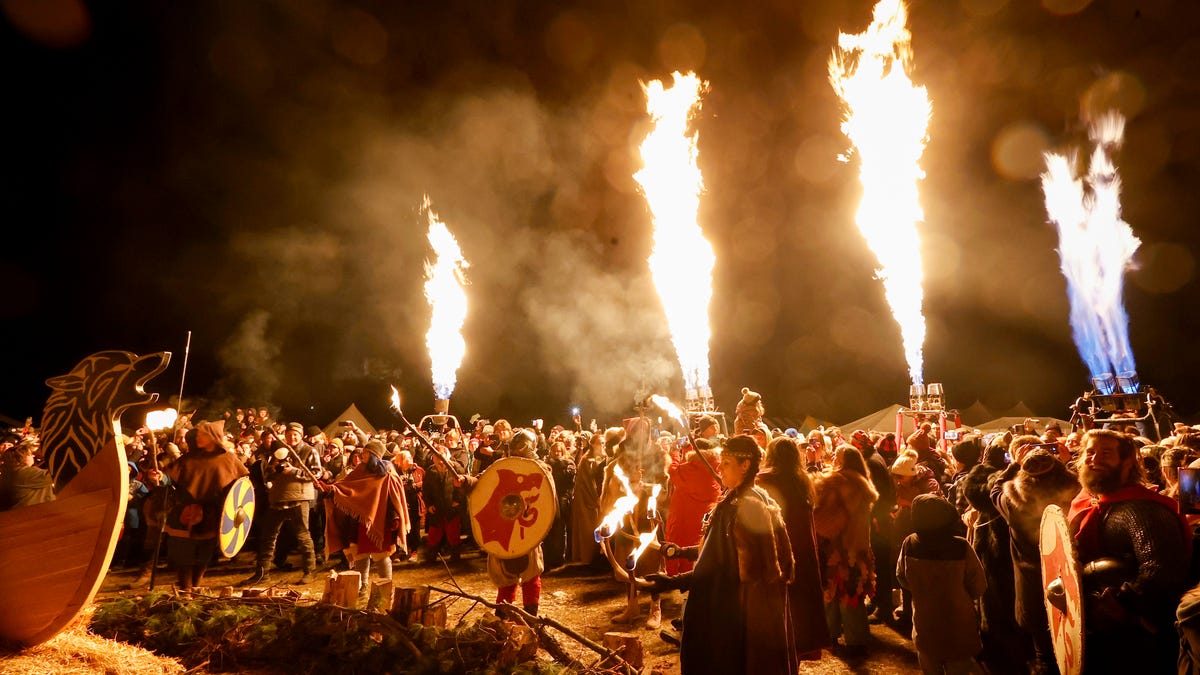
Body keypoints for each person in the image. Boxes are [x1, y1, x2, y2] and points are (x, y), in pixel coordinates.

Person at [647, 434, 797, 675]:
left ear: (745, 465)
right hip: (731, 607)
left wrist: (675, 581)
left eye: (726, 462)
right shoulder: (737, 499)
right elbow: (717, 550)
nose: (720, 468)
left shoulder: (749, 507)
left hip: (738, 614)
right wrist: (679, 552)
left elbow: (724, 568)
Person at [1068, 429, 1191, 673]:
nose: (1095, 459)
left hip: (1140, 633)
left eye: (1106, 453)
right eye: (1090, 452)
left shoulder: (1144, 510)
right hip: (1106, 631)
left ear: (1127, 463)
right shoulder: (1099, 502)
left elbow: (1162, 569)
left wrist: (1121, 604)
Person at [990, 446, 1078, 673]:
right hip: (1071, 581)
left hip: (1033, 585)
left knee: (1043, 649)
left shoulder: (1014, 502)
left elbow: (995, 490)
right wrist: (1067, 461)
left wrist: (1014, 465)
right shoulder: (1076, 495)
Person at [146, 420, 248, 591]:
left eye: (203, 434)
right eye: (198, 434)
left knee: (204, 555)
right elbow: (171, 478)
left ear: (213, 437)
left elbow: (240, 487)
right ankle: (186, 590)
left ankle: (196, 587)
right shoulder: (188, 458)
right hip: (184, 512)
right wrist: (159, 478)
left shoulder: (229, 460)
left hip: (211, 513)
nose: (198, 437)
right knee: (183, 555)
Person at [756, 436, 831, 661]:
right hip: (803, 553)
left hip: (777, 552)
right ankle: (794, 657)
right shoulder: (802, 480)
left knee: (779, 610)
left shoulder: (764, 480)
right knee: (799, 610)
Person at [896, 494, 986, 674]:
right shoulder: (960, 546)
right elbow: (978, 584)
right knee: (958, 667)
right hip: (958, 623)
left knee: (930, 666)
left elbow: (901, 576)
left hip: (925, 622)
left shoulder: (910, 543)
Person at [814, 445, 879, 658]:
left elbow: (825, 520)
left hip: (837, 547)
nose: (833, 457)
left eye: (837, 455)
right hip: (858, 546)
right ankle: (857, 638)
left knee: (832, 591)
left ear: (843, 460)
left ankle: (830, 634)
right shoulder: (862, 482)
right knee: (853, 591)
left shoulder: (837, 483)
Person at [240, 422, 324, 586]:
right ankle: (262, 573)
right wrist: (273, 470)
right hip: (278, 497)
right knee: (268, 537)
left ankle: (309, 571)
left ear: (301, 435)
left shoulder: (309, 451)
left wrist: (293, 471)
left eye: (296, 435)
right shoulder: (278, 450)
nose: (292, 437)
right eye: (290, 434)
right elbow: (269, 473)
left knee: (303, 535)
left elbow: (316, 473)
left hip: (298, 498)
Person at [325, 439, 408, 603]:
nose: (361, 455)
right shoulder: (358, 471)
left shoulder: (387, 472)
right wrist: (328, 489)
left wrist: (395, 517)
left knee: (381, 556)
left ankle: (385, 590)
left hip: (380, 520)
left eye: (365, 452)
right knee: (360, 556)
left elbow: (394, 495)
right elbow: (344, 487)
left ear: (374, 455)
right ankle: (361, 590)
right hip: (359, 521)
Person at [0, 439, 55, 509]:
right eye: (30, 454)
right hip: (35, 512)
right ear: (21, 457)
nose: (33, 456)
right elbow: (55, 475)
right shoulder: (22, 473)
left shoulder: (8, 471)